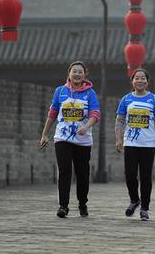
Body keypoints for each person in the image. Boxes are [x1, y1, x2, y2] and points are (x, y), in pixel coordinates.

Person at [39, 61, 100, 218]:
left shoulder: (90, 93)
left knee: (82, 174)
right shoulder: (60, 91)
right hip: (62, 138)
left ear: (85, 74)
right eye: (74, 71)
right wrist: (45, 134)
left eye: (80, 72)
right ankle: (63, 206)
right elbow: (52, 113)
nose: (77, 74)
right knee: (64, 171)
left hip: (83, 140)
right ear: (69, 74)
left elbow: (95, 114)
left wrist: (86, 126)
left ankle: (82, 203)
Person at [114, 68, 155, 221]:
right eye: (137, 78)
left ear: (147, 81)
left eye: (143, 78)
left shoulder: (154, 99)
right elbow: (119, 121)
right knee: (130, 175)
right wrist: (118, 139)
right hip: (130, 143)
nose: (140, 81)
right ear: (132, 81)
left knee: (145, 177)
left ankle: (144, 208)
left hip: (148, 144)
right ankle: (134, 200)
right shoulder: (126, 99)